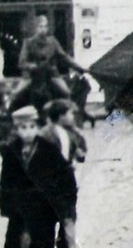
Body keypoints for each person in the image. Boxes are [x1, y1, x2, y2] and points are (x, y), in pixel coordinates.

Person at [0, 105, 76, 248]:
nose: (28, 132)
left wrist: (63, 208)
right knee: (15, 243)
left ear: (37, 127)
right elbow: (5, 182)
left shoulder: (48, 150)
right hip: (19, 213)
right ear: (16, 130)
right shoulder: (11, 153)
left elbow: (65, 178)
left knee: (42, 243)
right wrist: (8, 207)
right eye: (23, 128)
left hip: (43, 212)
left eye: (31, 127)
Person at [13, 15, 85, 106]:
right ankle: (7, 111)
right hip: (32, 75)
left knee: (66, 92)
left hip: (51, 73)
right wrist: (32, 66)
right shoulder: (28, 42)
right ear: (36, 28)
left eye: (45, 26)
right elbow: (21, 62)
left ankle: (68, 112)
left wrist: (78, 67)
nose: (43, 29)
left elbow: (64, 57)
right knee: (17, 93)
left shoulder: (52, 42)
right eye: (40, 26)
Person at [41, 100, 84, 248]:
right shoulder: (46, 134)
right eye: (70, 113)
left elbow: (81, 154)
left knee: (69, 216)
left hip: (68, 181)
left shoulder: (70, 132)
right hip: (52, 181)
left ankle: (66, 244)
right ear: (61, 116)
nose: (73, 116)